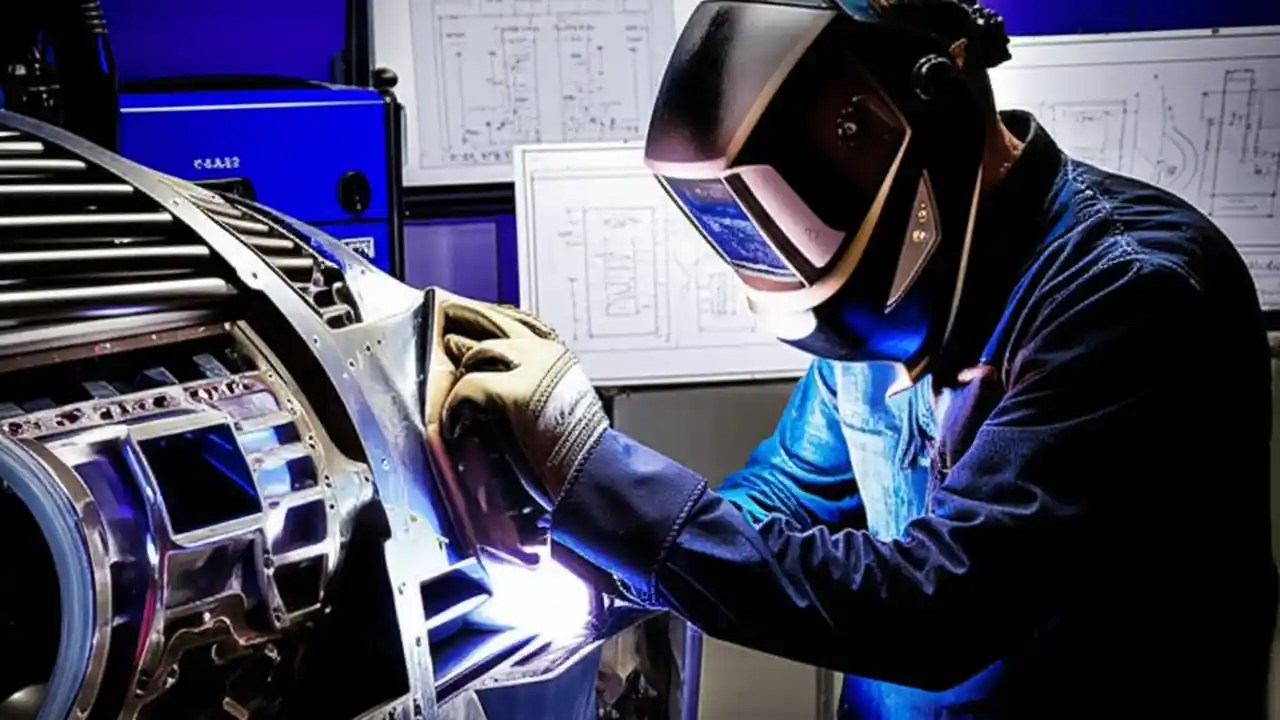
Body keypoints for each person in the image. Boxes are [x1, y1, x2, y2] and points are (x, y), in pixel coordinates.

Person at [437, 0, 1279, 716]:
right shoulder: (905, 303)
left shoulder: (1128, 298)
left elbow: (938, 606)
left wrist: (595, 469)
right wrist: (600, 562)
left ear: (912, 114)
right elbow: (787, 495)